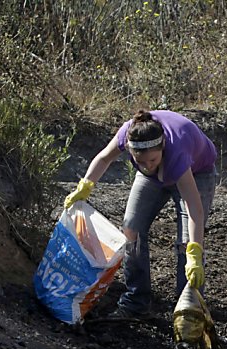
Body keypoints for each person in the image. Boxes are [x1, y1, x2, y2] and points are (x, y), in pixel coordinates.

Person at [64, 109, 218, 318]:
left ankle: (189, 311)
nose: (147, 166)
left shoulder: (178, 153)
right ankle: (137, 301)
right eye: (140, 161)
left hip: (197, 172)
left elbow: (194, 210)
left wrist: (195, 253)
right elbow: (103, 158)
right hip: (154, 179)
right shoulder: (129, 135)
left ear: (163, 146)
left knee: (186, 242)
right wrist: (85, 186)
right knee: (131, 229)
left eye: (152, 160)